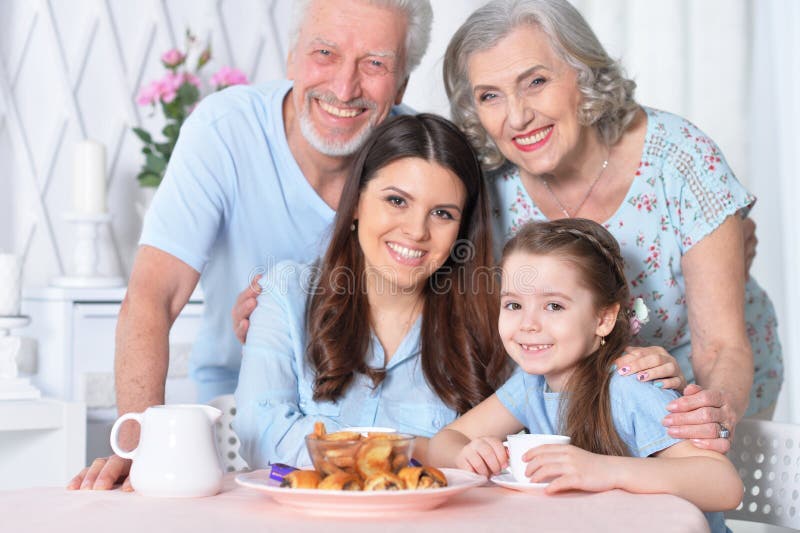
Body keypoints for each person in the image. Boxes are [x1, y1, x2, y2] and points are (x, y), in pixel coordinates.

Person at [68, 0, 434, 491]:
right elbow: (154, 295)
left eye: (375, 64)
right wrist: (139, 448)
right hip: (238, 431)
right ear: (291, 56)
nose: (345, 87)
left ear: (403, 84)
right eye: (325, 53)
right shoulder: (224, 132)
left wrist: (300, 321)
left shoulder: (424, 161)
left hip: (392, 432)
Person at [442, 0, 782, 453]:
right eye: (490, 96)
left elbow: (720, 346)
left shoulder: (680, 158)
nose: (517, 116)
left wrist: (706, 413)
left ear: (583, 74)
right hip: (577, 406)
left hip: (697, 394)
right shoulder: (485, 185)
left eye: (536, 82)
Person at [427, 219, 743, 533]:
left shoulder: (631, 386)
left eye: (553, 306)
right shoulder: (530, 384)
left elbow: (724, 484)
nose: (528, 324)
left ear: (603, 319)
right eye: (513, 304)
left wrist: (604, 470)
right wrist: (468, 454)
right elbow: (443, 443)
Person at [233, 113, 509, 467]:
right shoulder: (287, 294)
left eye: (442, 213)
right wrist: (421, 450)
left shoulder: (496, 324)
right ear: (356, 203)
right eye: (397, 201)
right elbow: (261, 438)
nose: (417, 231)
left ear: (462, 230)